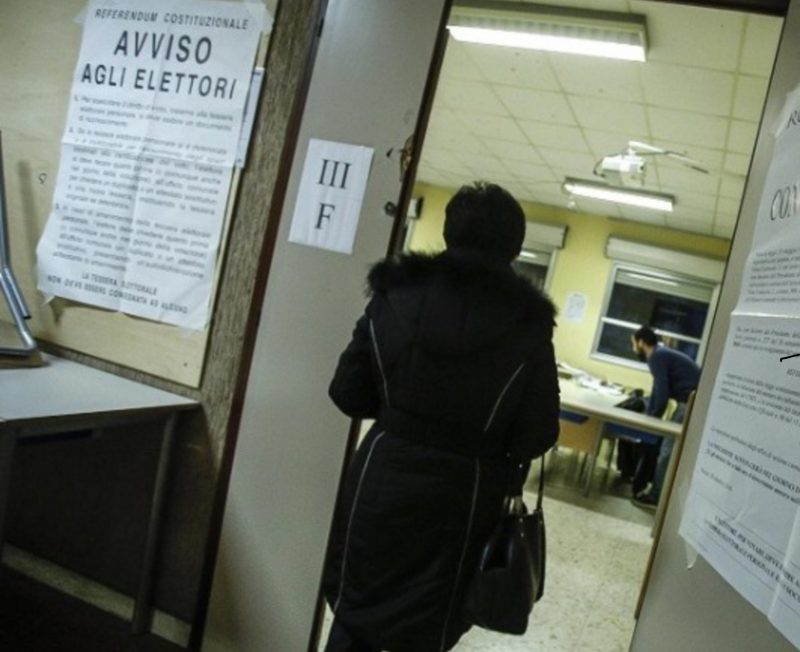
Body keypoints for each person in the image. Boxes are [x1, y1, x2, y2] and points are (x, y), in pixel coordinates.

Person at [322, 182, 560, 652]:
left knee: (358, 615)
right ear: (514, 248)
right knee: (428, 624)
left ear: (448, 231)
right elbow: (539, 431)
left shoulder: (393, 295)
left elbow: (347, 392)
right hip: (467, 493)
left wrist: (400, 413)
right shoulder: (529, 325)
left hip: (383, 475)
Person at [630, 325, 700, 508]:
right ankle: (658, 492)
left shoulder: (657, 357)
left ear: (641, 342)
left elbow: (662, 392)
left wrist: (653, 419)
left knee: (667, 451)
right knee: (666, 449)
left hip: (691, 404)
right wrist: (651, 415)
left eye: (634, 343)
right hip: (691, 402)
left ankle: (656, 498)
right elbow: (657, 390)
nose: (633, 347)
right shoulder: (660, 354)